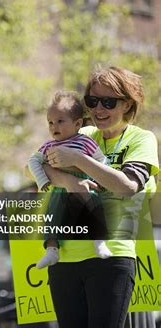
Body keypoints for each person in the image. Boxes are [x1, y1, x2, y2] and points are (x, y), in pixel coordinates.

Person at [42, 66, 159, 328]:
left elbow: (128, 185)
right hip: (65, 257)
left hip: (112, 255)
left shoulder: (141, 139)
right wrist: (72, 182)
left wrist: (79, 160)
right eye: (92, 101)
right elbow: (38, 165)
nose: (99, 109)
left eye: (108, 101)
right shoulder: (81, 132)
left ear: (127, 103)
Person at [27, 90, 112, 269]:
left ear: (77, 123)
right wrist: (42, 179)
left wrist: (100, 179)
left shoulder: (85, 142)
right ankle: (51, 250)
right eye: (50, 122)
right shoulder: (48, 146)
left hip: (85, 183)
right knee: (53, 216)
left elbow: (102, 160)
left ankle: (99, 241)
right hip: (60, 189)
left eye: (60, 121)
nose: (53, 127)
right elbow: (33, 161)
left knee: (93, 210)